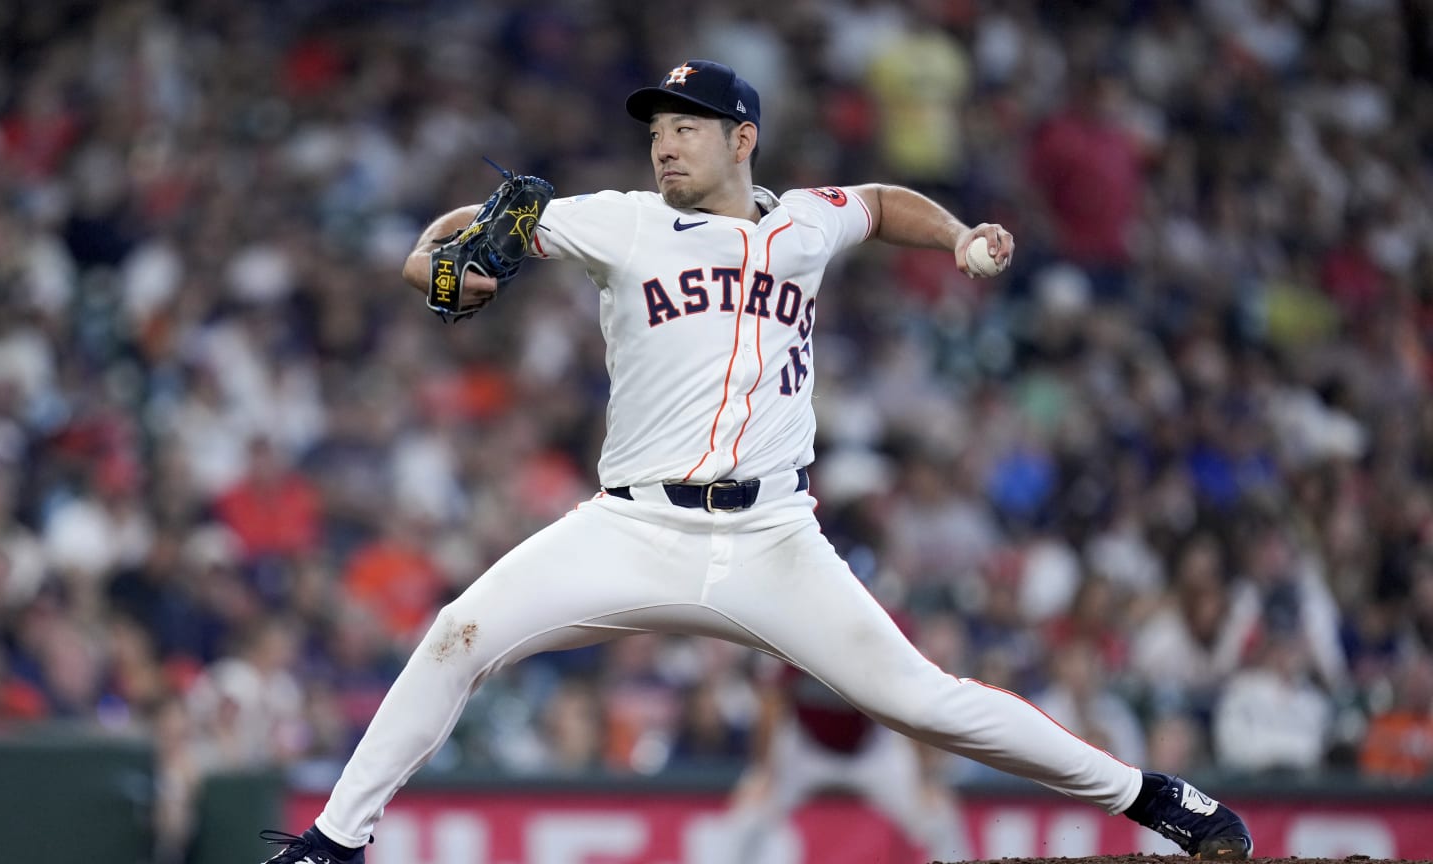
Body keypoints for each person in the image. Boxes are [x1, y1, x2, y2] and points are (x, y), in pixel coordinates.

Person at [259, 59, 1252, 863]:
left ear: (742, 139)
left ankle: (1157, 800)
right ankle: (333, 845)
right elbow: (438, 241)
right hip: (633, 527)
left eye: (686, 124)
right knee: (458, 632)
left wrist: (954, 237)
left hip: (773, 535)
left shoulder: (803, 221)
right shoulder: (621, 219)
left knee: (924, 703)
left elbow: (878, 201)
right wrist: (444, 267)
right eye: (656, 127)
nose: (664, 141)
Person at [715, 659, 973, 863]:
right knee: (749, 814)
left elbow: (913, 700)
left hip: (872, 749)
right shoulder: (798, 631)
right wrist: (764, 769)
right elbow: (773, 700)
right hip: (806, 748)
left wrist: (923, 776)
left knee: (938, 813)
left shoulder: (873, 631)